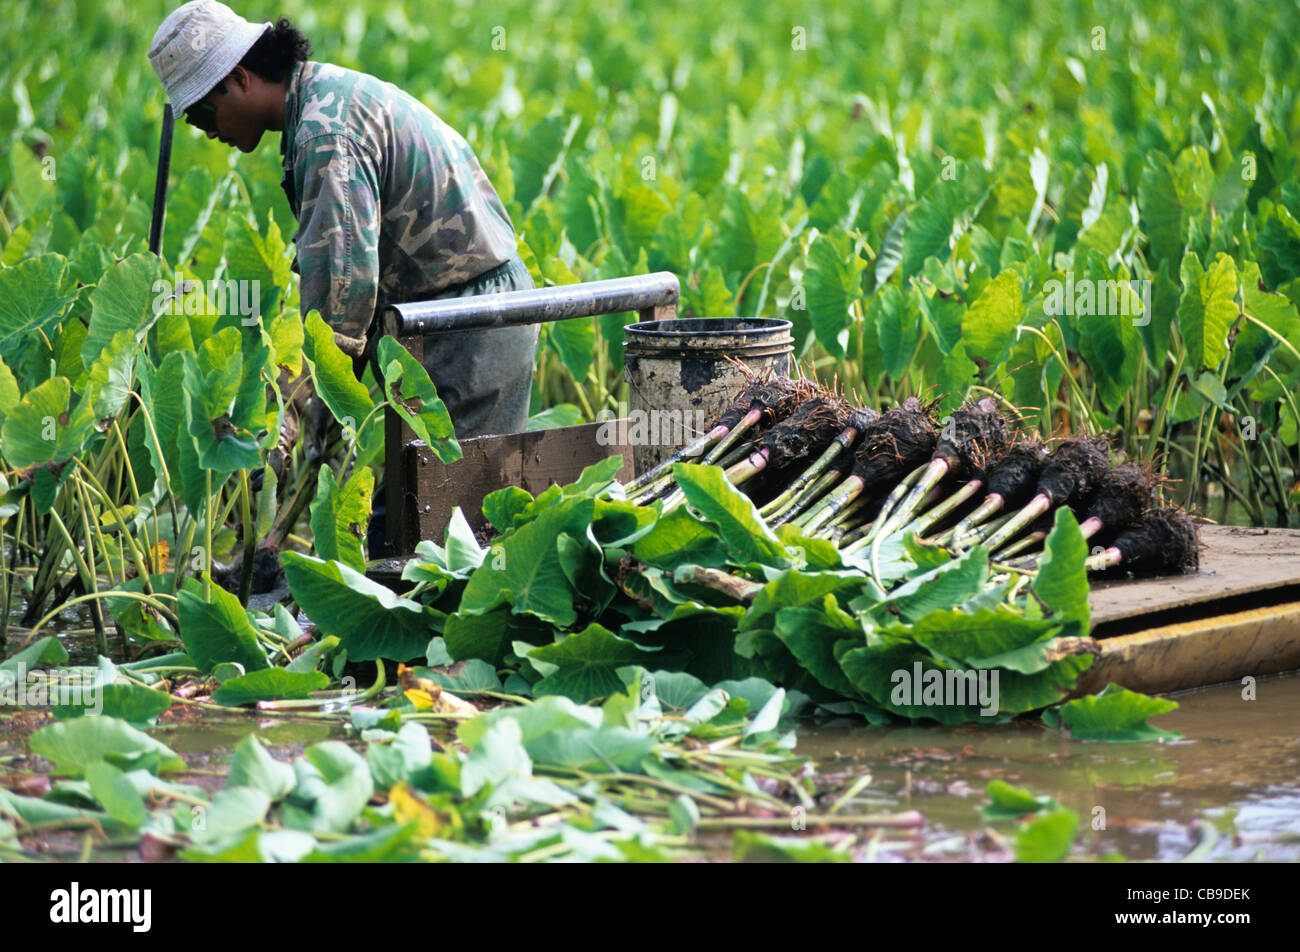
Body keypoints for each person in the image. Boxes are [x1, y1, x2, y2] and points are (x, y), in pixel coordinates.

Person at [148, 1, 539, 479]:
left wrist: (284, 408)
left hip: (472, 322)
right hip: (439, 318)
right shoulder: (317, 96)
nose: (208, 132)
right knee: (413, 515)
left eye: (204, 113)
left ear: (240, 78)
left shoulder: (323, 134)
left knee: (442, 521)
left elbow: (341, 295)